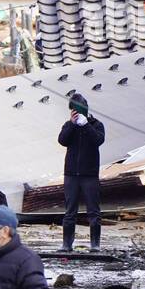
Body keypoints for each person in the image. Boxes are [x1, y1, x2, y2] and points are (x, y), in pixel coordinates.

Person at [58, 91, 105, 252]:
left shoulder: (96, 125)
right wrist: (72, 124)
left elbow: (98, 140)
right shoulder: (68, 125)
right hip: (71, 174)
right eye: (72, 111)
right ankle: (66, 244)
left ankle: (95, 244)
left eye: (76, 110)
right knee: (70, 210)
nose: (74, 114)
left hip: (89, 174)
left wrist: (86, 125)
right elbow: (62, 140)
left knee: (93, 210)